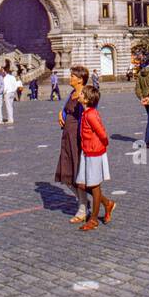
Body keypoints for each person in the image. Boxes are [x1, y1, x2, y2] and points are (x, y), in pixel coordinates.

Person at [76, 84, 117, 231]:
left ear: (86, 100)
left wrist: (102, 144)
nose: (79, 95)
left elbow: (102, 133)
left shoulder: (91, 114)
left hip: (94, 152)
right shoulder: (86, 112)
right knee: (83, 184)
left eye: (81, 94)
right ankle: (107, 203)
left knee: (94, 185)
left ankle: (93, 219)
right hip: (87, 151)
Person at [56, 65, 91, 222]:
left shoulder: (85, 94)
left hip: (78, 138)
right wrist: (61, 113)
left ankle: (83, 208)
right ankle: (86, 202)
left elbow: (89, 115)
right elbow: (65, 109)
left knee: (78, 174)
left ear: (80, 79)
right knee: (67, 172)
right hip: (67, 136)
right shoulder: (72, 93)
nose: (70, 78)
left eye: (72, 76)